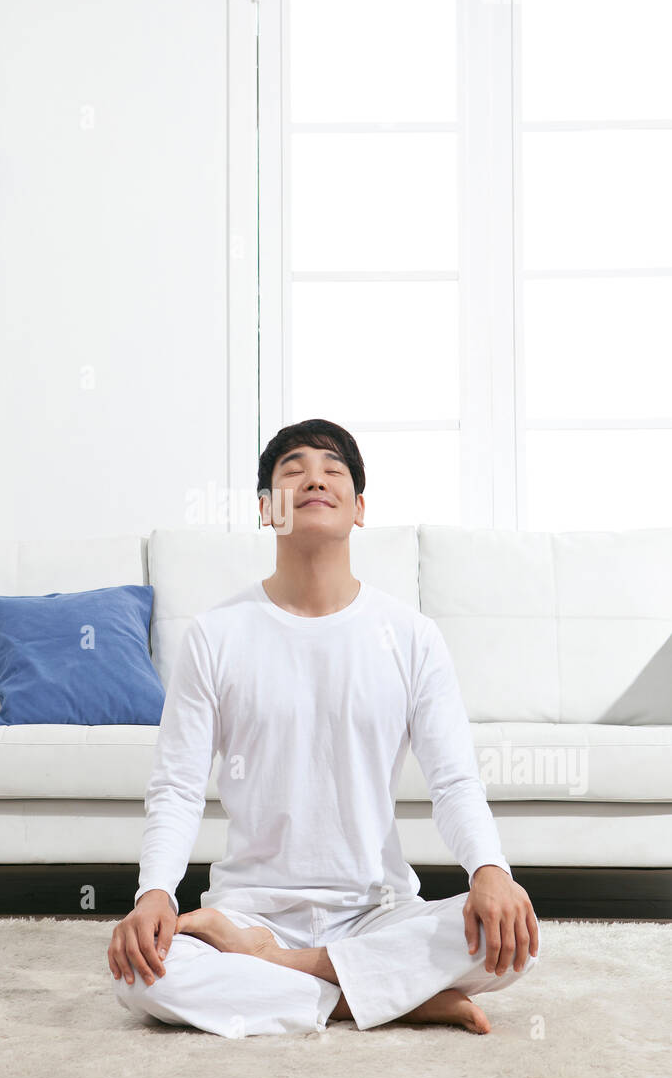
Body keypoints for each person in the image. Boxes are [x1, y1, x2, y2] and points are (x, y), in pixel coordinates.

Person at [108, 419, 541, 1038]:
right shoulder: (215, 634)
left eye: (333, 469)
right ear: (266, 509)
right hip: (248, 909)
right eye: (293, 469)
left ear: (359, 508)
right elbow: (178, 786)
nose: (315, 477)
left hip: (376, 912)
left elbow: (453, 781)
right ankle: (377, 997)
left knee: (515, 939)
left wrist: (490, 871)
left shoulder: (411, 636)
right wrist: (156, 893)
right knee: (141, 978)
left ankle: (280, 972)